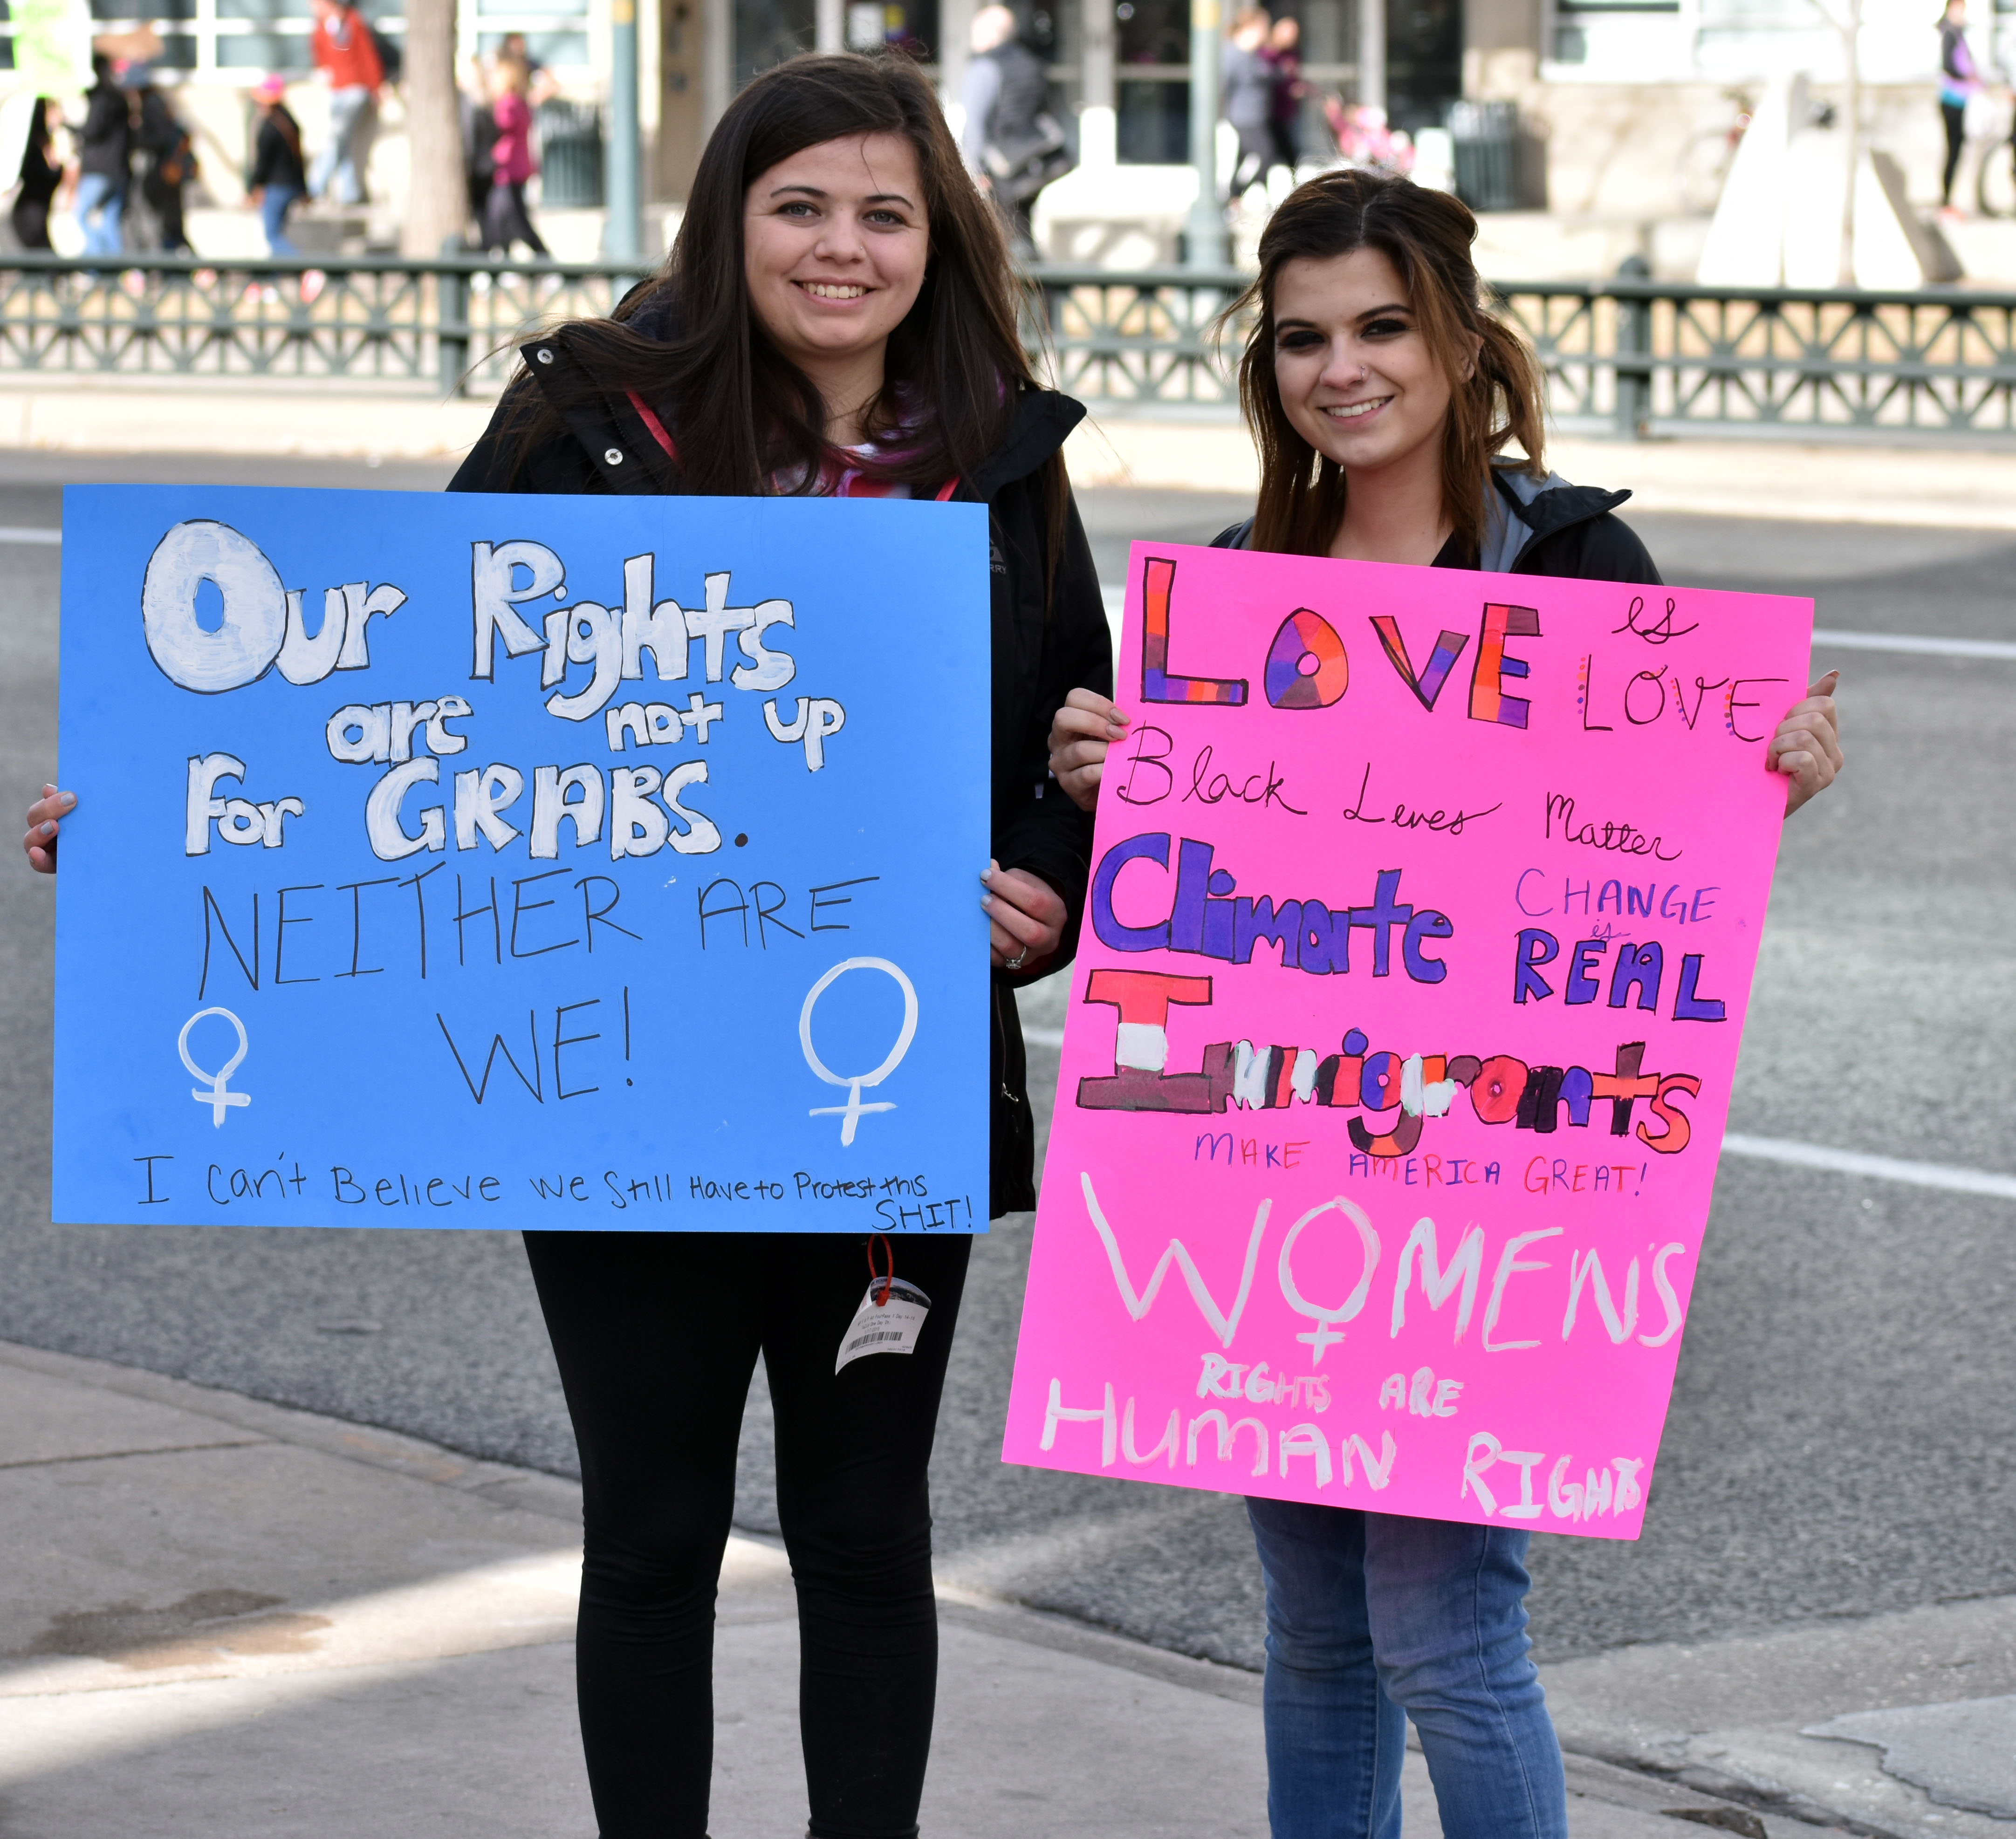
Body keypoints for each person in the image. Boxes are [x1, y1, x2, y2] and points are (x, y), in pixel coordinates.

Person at [21, 48, 1111, 1839]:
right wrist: (156, 826)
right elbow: (389, 687)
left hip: (877, 1089)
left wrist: (1041, 888)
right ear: (728, 220)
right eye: (800, 208)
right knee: (657, 1526)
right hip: (624, 1076)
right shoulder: (592, 425)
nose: (842, 248)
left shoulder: (1002, 466)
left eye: (884, 214)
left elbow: (1070, 746)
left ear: (938, 238)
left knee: (861, 1530)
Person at [1042, 169, 1843, 1839]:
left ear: (1463, 338)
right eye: (1306, 337)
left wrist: (1775, 772)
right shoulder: (1241, 586)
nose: (1346, 366)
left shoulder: (1569, 554)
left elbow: (1656, 848)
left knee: (1448, 1628)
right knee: (1319, 1628)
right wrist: (1107, 774)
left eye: (1383, 325)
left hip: (1480, 1194)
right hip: (1271, 1187)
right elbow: (1195, 880)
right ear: (1269, 366)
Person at [960, 2, 1066, 256]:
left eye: (976, 32)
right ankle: (1041, 293)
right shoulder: (1032, 65)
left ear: (990, 35)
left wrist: (974, 171)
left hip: (1002, 169)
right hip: (1034, 165)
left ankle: (1031, 294)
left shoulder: (985, 68)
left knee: (1009, 240)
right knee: (1022, 230)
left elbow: (975, 125)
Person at [309, 0, 383, 206]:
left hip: (356, 90)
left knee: (338, 137)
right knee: (345, 143)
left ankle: (315, 186)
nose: (312, 8)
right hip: (336, 91)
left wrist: (376, 87)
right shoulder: (320, 28)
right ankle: (349, 193)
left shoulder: (352, 22)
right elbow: (320, 57)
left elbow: (368, 55)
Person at [481, 52, 549, 259]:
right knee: (503, 218)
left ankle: (543, 260)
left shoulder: (508, 104)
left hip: (508, 171)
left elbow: (501, 125)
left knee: (511, 219)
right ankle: (502, 257)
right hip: (513, 170)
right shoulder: (519, 102)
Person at [73, 55, 132, 259]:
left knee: (80, 216)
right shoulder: (121, 99)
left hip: (100, 169)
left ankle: (96, 264)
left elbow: (92, 130)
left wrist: (70, 126)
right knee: (109, 220)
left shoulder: (103, 99)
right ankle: (115, 268)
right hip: (119, 169)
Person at [247, 75, 307, 257]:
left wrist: (253, 188)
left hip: (276, 187)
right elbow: (299, 159)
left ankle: (305, 269)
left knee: (272, 236)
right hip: (291, 186)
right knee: (277, 235)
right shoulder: (289, 123)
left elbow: (262, 164)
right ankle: (275, 279)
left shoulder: (269, 128)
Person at [134, 82, 196, 253]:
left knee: (164, 224)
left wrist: (137, 138)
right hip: (169, 176)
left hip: (164, 175)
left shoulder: (152, 108)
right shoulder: (166, 112)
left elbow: (159, 139)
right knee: (173, 225)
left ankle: (169, 262)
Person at [1223, 5, 1276, 200]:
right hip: (1244, 117)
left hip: (1257, 115)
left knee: (1244, 159)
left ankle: (1235, 198)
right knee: (1266, 155)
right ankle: (1236, 193)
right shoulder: (1233, 53)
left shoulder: (1253, 54)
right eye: (1263, 28)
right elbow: (1223, 85)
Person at [1939, 0, 1981, 217]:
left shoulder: (1959, 33)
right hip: (1952, 100)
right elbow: (1948, 65)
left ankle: (1948, 201)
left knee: (1958, 150)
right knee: (1953, 150)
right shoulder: (1949, 33)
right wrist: (1969, 77)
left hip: (1962, 100)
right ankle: (1946, 202)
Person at [12, 98, 65, 252]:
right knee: (28, 222)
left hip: (43, 179)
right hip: (36, 177)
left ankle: (48, 268)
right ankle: (46, 268)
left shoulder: (52, 128)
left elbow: (54, 164)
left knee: (32, 223)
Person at [1265, 14, 1306, 178]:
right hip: (1268, 112)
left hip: (1286, 112)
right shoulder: (1268, 54)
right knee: (1265, 154)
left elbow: (1292, 79)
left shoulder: (1292, 54)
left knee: (1291, 153)